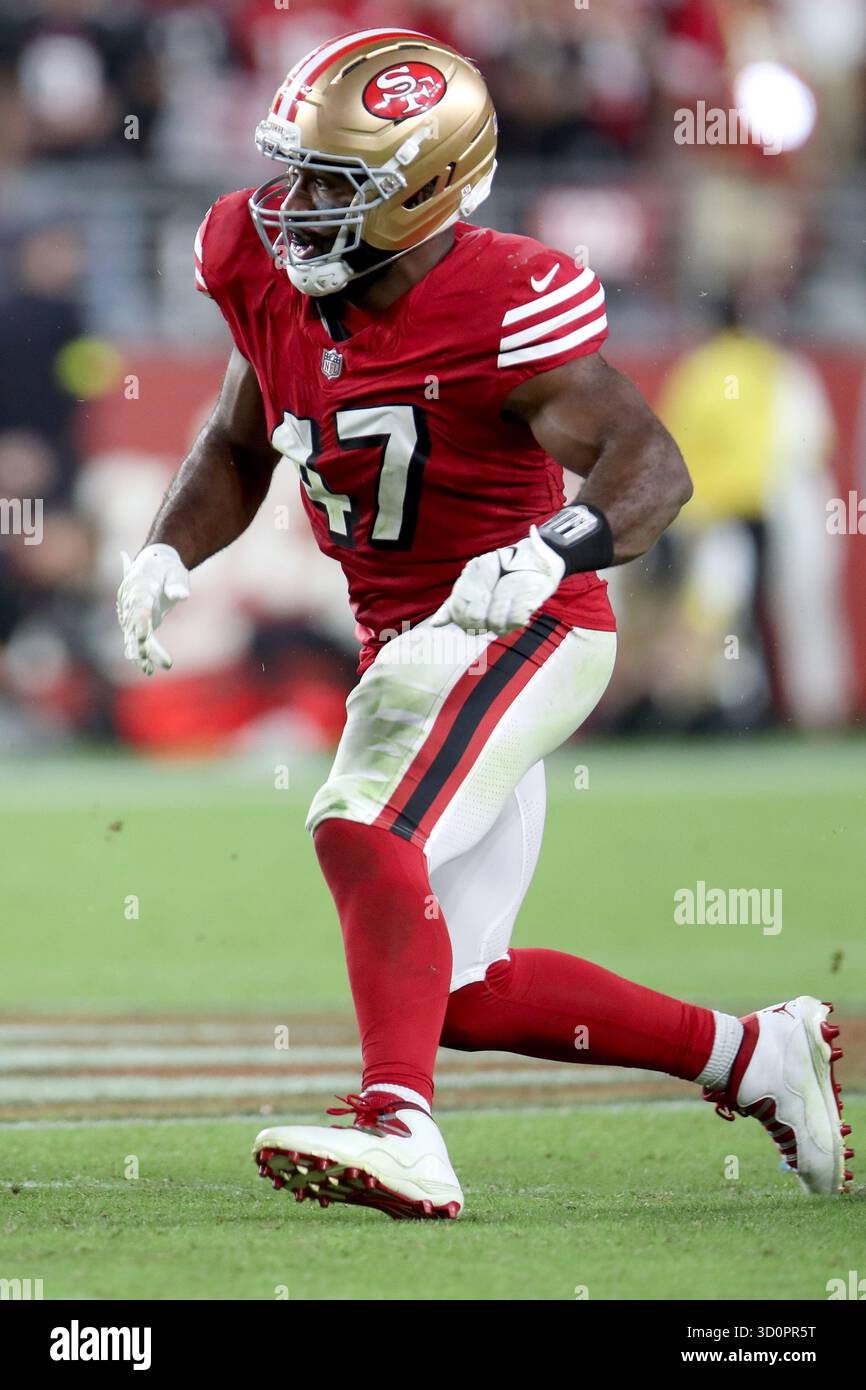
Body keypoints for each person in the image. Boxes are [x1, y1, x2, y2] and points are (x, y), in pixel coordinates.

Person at [116, 29, 850, 1219]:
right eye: (291, 169)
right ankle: (750, 1055)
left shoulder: (497, 297)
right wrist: (164, 545)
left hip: (521, 620)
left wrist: (553, 544)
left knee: (359, 825)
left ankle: (398, 1126)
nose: (290, 206)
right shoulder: (261, 263)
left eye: (330, 185)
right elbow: (244, 434)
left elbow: (648, 466)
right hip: (403, 639)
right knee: (455, 985)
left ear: (421, 191)